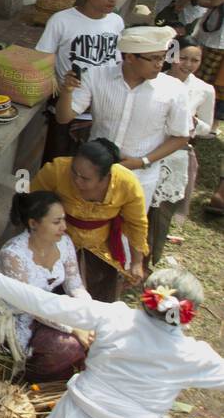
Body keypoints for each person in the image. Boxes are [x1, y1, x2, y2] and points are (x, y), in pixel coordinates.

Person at [0, 254, 224, 418]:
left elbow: (43, 303)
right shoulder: (193, 356)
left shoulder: (114, 317)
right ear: (190, 315)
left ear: (147, 296)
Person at [56, 24, 191, 268]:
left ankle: (117, 279)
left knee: (128, 234)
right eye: (153, 59)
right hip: (94, 174)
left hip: (140, 175)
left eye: (162, 58)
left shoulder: (173, 90)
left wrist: (143, 161)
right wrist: (66, 92)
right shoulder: (97, 75)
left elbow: (181, 137)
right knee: (84, 228)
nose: (160, 64)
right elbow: (64, 117)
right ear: (129, 57)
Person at [0, 191, 91, 381]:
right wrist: (73, 328)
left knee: (93, 337)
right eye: (56, 222)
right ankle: (26, 378)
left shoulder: (64, 242)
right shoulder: (13, 255)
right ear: (33, 224)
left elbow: (75, 285)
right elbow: (31, 306)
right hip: (21, 317)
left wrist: (90, 315)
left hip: (49, 309)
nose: (64, 227)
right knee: (69, 347)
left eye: (63, 220)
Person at [32, 139, 149, 301]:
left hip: (99, 248)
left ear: (105, 177)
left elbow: (137, 224)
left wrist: (137, 263)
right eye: (74, 172)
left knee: (97, 301)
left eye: (85, 178)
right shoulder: (57, 170)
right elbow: (33, 202)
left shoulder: (127, 184)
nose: (76, 180)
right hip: (58, 240)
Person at [35, 0, 126, 161]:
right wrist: (57, 90)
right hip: (68, 111)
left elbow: (116, 61)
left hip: (104, 112)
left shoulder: (116, 22)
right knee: (58, 168)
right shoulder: (62, 21)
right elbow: (41, 60)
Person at [163, 36, 215, 230]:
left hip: (178, 149)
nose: (188, 65)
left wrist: (193, 122)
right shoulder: (156, 80)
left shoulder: (204, 89)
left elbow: (206, 128)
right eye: (183, 58)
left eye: (195, 60)